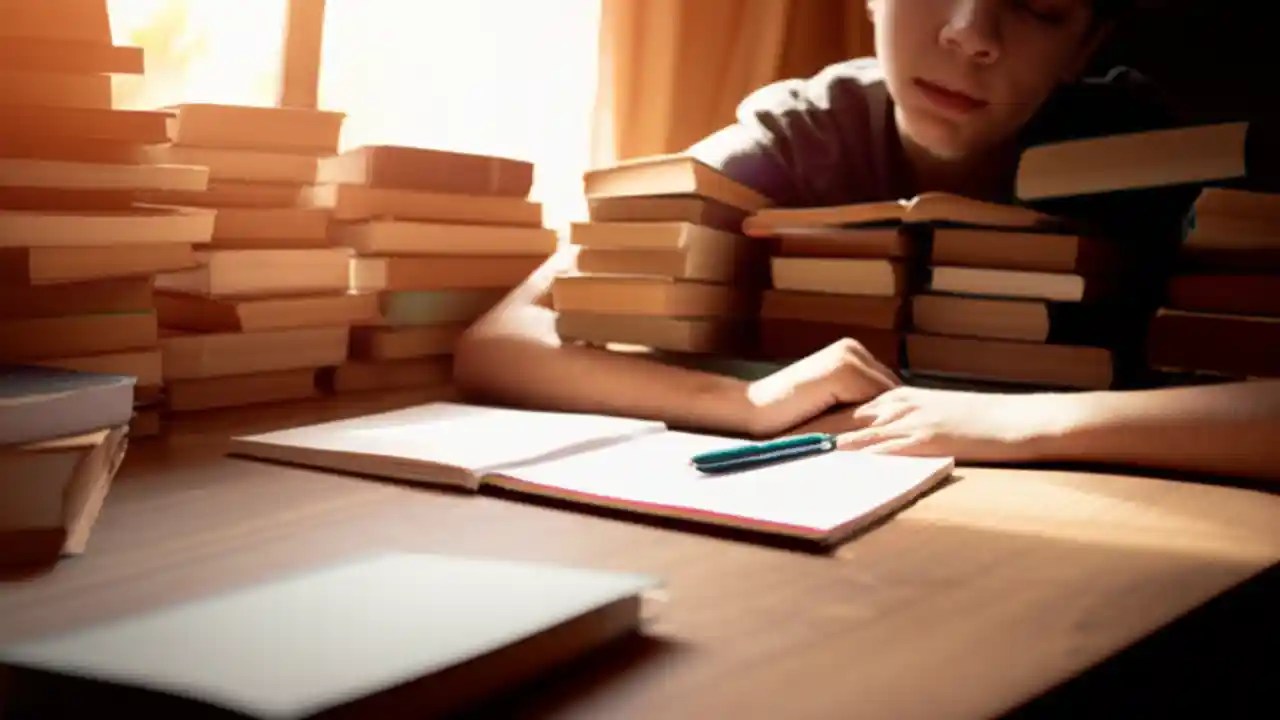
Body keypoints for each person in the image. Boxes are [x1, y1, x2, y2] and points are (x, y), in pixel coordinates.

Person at [454, 0, 1280, 480]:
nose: (970, 32)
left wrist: (1021, 425)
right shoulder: (804, 134)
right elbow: (503, 339)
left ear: (1086, 45)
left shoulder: (1153, 152)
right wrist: (737, 403)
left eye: (1038, 6)